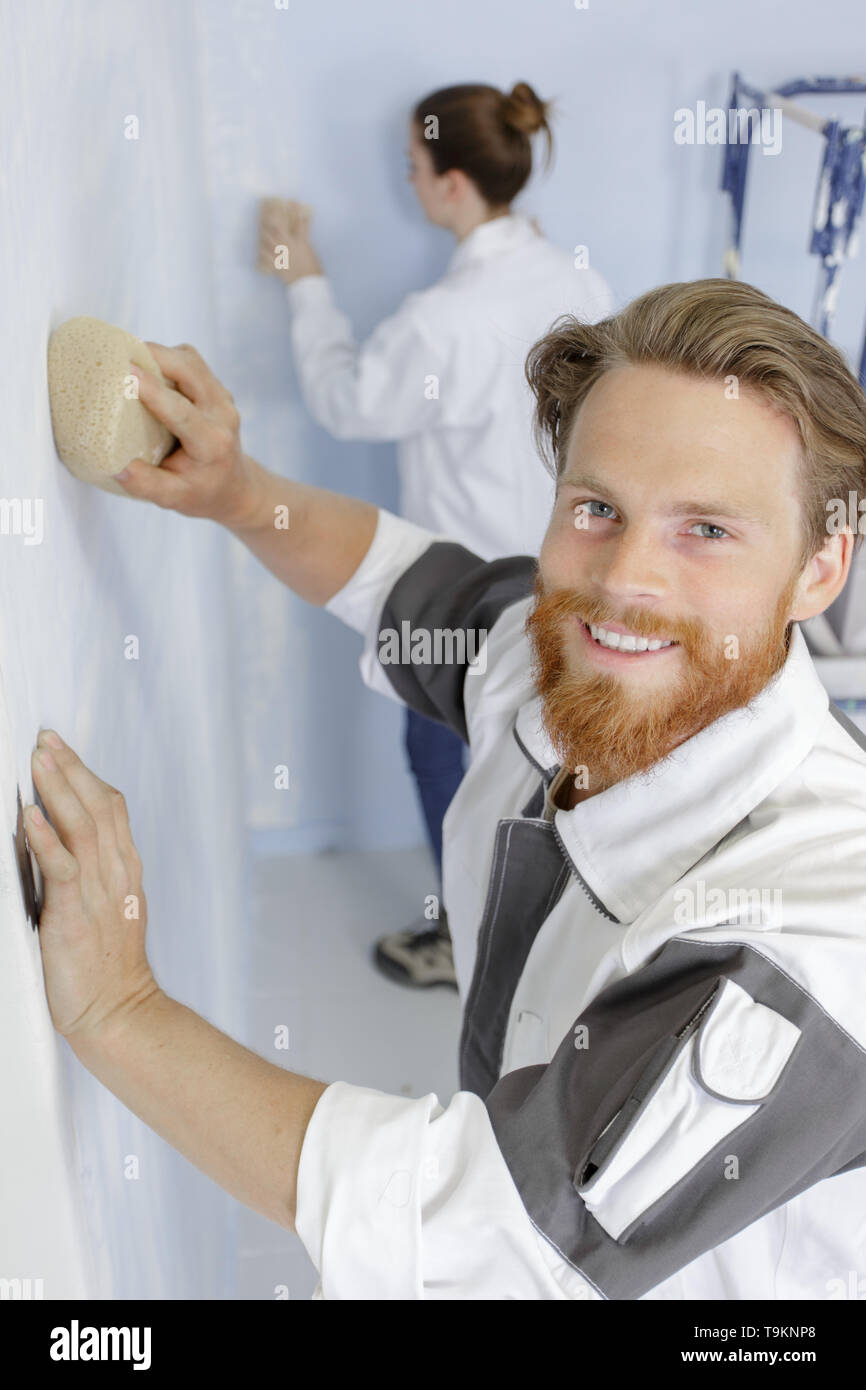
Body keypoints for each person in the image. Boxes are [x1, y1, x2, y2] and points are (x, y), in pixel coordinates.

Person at [28, 276, 866, 1298]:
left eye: (706, 530)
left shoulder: (815, 935)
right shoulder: (559, 652)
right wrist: (241, 492)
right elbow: (405, 578)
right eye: (595, 507)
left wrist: (119, 1007)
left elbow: (490, 1234)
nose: (622, 578)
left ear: (820, 568)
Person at [258, 81, 613, 988]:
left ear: (453, 183)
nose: (405, 183)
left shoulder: (443, 321)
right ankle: (558, 943)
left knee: (437, 750)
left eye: (412, 169)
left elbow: (346, 403)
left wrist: (304, 279)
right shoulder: (576, 277)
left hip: (468, 594)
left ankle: (466, 940)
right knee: (554, 758)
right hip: (575, 578)